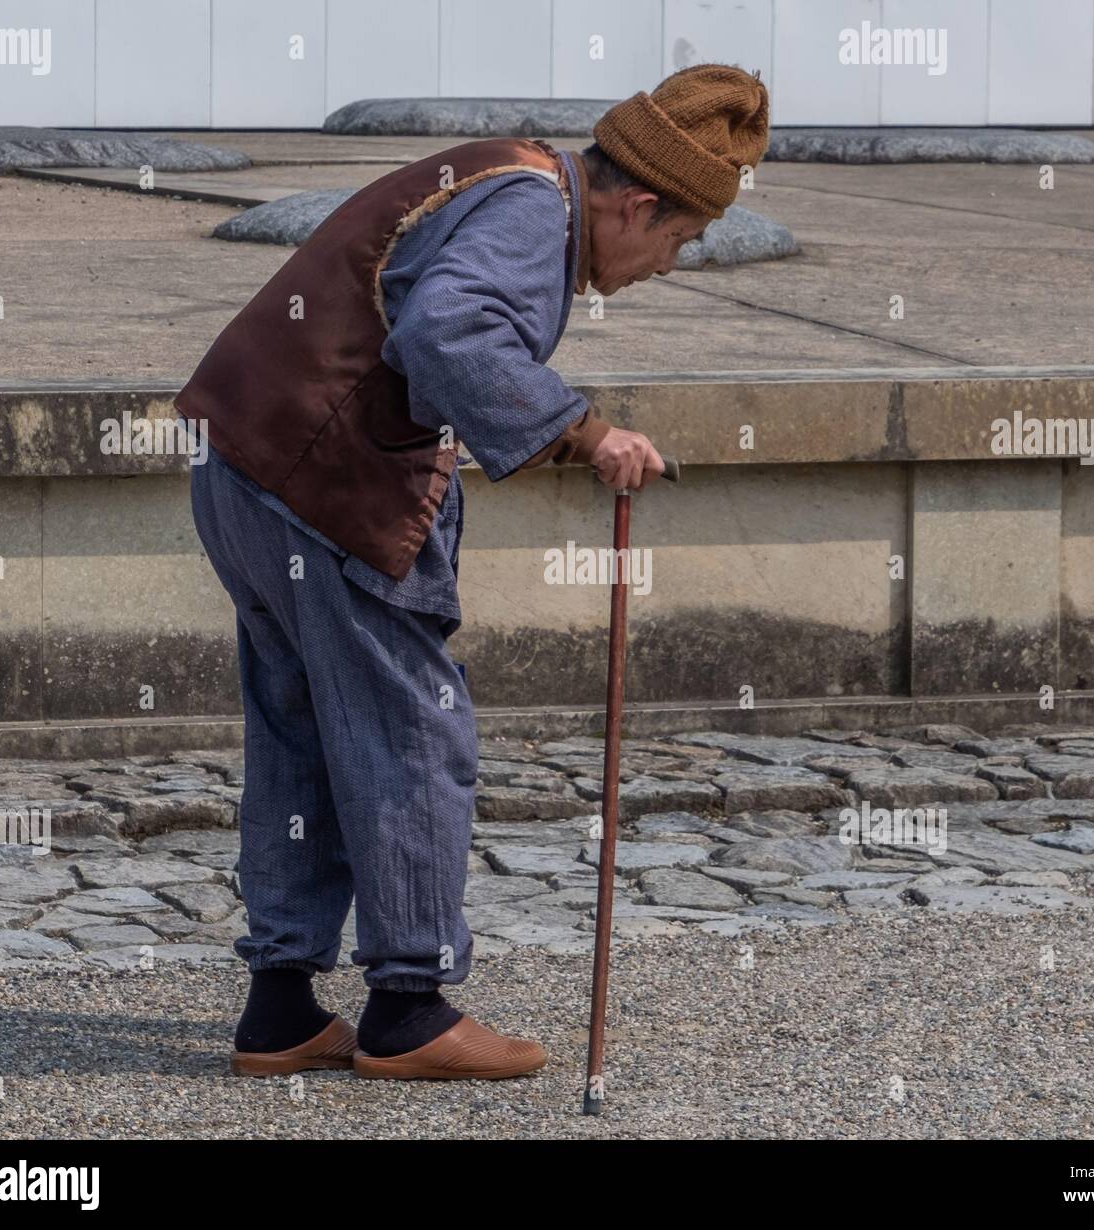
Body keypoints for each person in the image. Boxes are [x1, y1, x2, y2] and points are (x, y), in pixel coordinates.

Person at [177, 63, 770, 1081]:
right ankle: (408, 1010)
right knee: (410, 730)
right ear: (633, 204)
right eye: (677, 241)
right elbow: (447, 329)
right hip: (328, 489)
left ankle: (280, 1011)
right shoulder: (535, 218)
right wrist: (590, 432)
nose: (668, 265)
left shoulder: (509, 173)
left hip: (243, 464)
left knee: (303, 734)